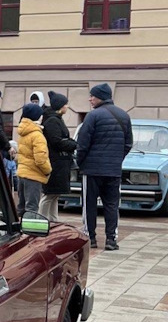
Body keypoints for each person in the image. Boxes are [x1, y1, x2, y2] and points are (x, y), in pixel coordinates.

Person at [77, 82, 132, 250]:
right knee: (112, 205)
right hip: (113, 170)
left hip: (92, 169)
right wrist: (117, 160)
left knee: (89, 205)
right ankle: (111, 239)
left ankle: (90, 238)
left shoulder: (92, 116)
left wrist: (80, 162)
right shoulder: (124, 116)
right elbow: (128, 144)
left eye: (92, 96)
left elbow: (83, 143)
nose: (90, 99)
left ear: (100, 97)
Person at [39, 91, 77, 221]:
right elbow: (56, 141)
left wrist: (70, 142)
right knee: (49, 194)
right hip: (55, 163)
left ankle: (53, 220)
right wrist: (72, 144)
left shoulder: (55, 119)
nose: (67, 106)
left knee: (54, 194)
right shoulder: (53, 121)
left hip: (60, 162)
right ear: (60, 106)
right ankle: (42, 219)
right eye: (65, 104)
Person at [15, 102, 51, 214]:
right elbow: (41, 159)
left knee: (21, 208)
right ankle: (29, 226)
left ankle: (19, 225)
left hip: (22, 173)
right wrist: (47, 171)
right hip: (33, 175)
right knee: (32, 209)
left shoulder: (23, 132)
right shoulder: (37, 135)